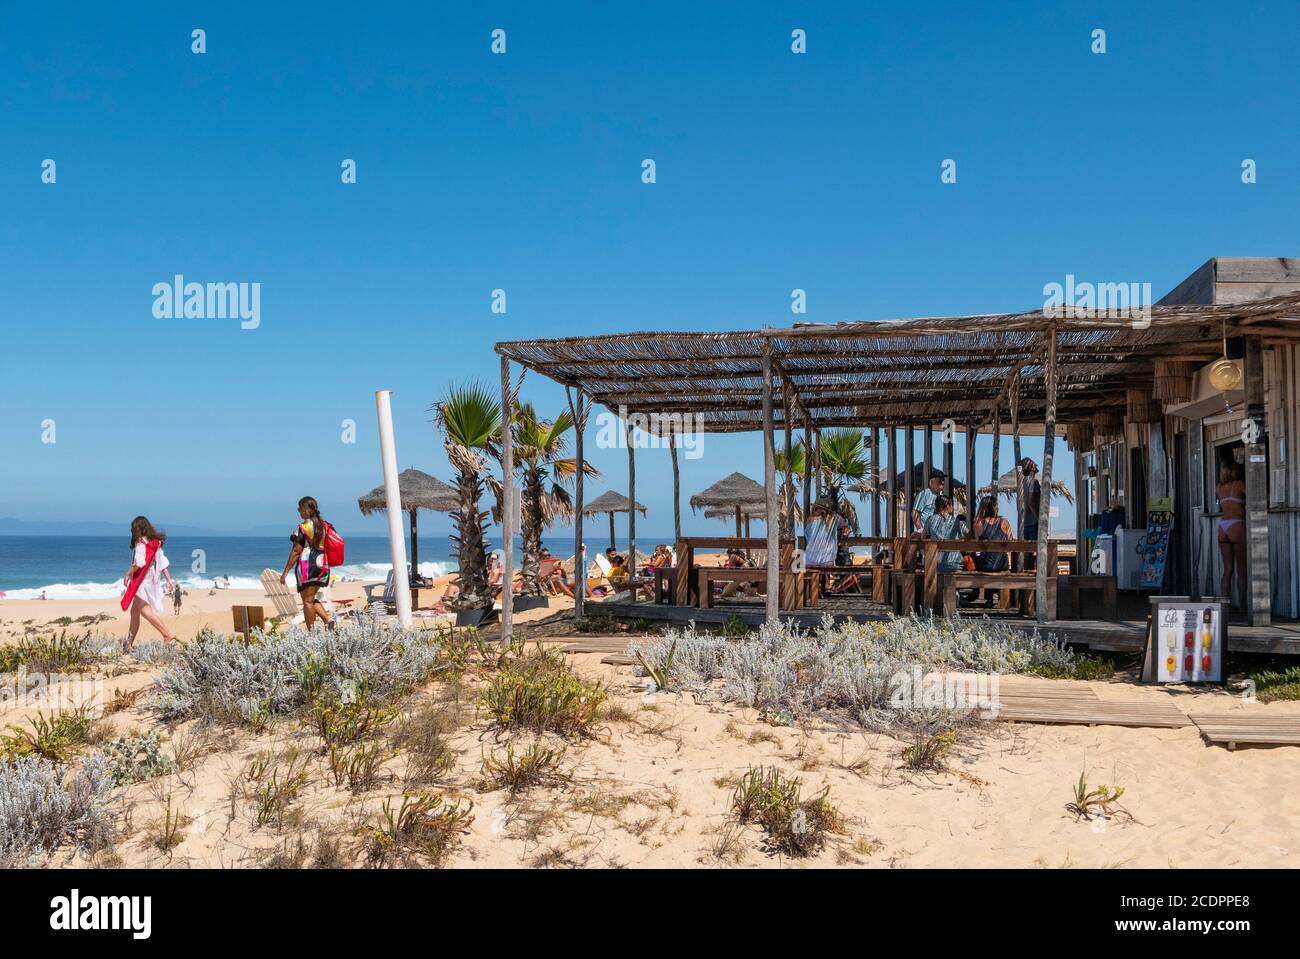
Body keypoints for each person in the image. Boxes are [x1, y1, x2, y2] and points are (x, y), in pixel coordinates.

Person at [123, 516, 177, 649]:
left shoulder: (141, 543)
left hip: (141, 582)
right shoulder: (154, 542)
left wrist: (128, 573)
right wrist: (168, 579)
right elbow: (162, 562)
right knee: (134, 613)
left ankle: (167, 635)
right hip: (152, 582)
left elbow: (139, 563)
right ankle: (129, 644)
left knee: (145, 611)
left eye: (133, 528)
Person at [280, 495, 332, 628]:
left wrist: (285, 572)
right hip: (323, 565)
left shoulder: (303, 527)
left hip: (308, 567)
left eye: (300, 508)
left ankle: (312, 635)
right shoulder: (325, 525)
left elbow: (296, 551)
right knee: (310, 598)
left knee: (307, 602)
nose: (298, 511)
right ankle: (327, 620)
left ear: (306, 510)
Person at [1216, 461, 1248, 608]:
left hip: (1223, 527)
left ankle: (1224, 606)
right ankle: (1242, 605)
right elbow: (1256, 496)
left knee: (1227, 570)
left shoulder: (1219, 487)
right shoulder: (1239, 484)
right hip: (1237, 524)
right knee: (1241, 569)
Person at [922, 495, 967, 573]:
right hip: (955, 563)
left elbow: (923, 537)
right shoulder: (956, 521)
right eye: (951, 504)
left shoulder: (929, 520)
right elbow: (969, 534)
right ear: (947, 505)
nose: (952, 506)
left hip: (936, 562)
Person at [911, 469, 945, 534]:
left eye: (943, 480)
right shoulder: (924, 494)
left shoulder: (942, 496)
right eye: (940, 480)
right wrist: (921, 531)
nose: (943, 482)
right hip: (926, 536)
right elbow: (914, 514)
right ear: (932, 482)